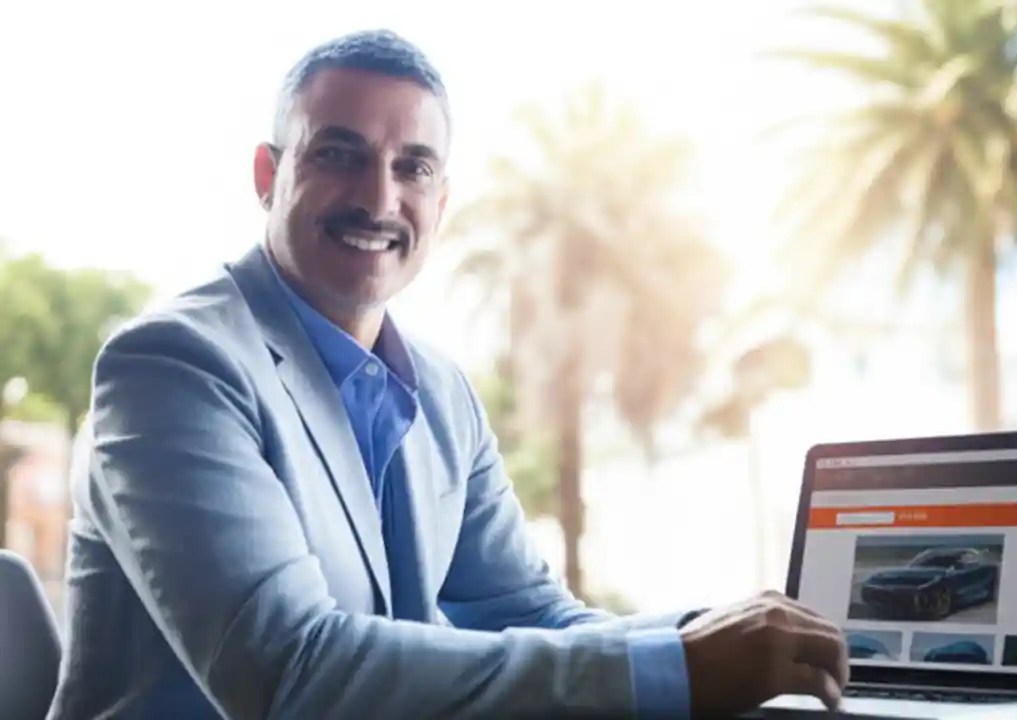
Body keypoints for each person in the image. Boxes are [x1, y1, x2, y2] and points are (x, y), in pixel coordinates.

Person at [48, 29, 847, 719]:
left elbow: (527, 614)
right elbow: (291, 674)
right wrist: (678, 669)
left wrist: (728, 634)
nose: (379, 196)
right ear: (267, 175)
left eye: (414, 167)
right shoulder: (172, 367)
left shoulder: (439, 389)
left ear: (442, 199)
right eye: (339, 153)